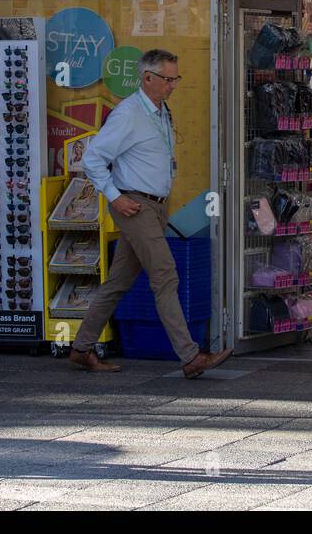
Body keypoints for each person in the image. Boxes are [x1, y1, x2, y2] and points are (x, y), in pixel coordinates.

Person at [72, 48, 231, 377]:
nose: (174, 85)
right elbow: (92, 159)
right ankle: (190, 356)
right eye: (168, 79)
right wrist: (115, 198)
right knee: (165, 274)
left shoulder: (160, 111)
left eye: (176, 78)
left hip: (155, 205)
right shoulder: (128, 113)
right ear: (147, 78)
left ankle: (81, 348)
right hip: (134, 205)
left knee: (118, 282)